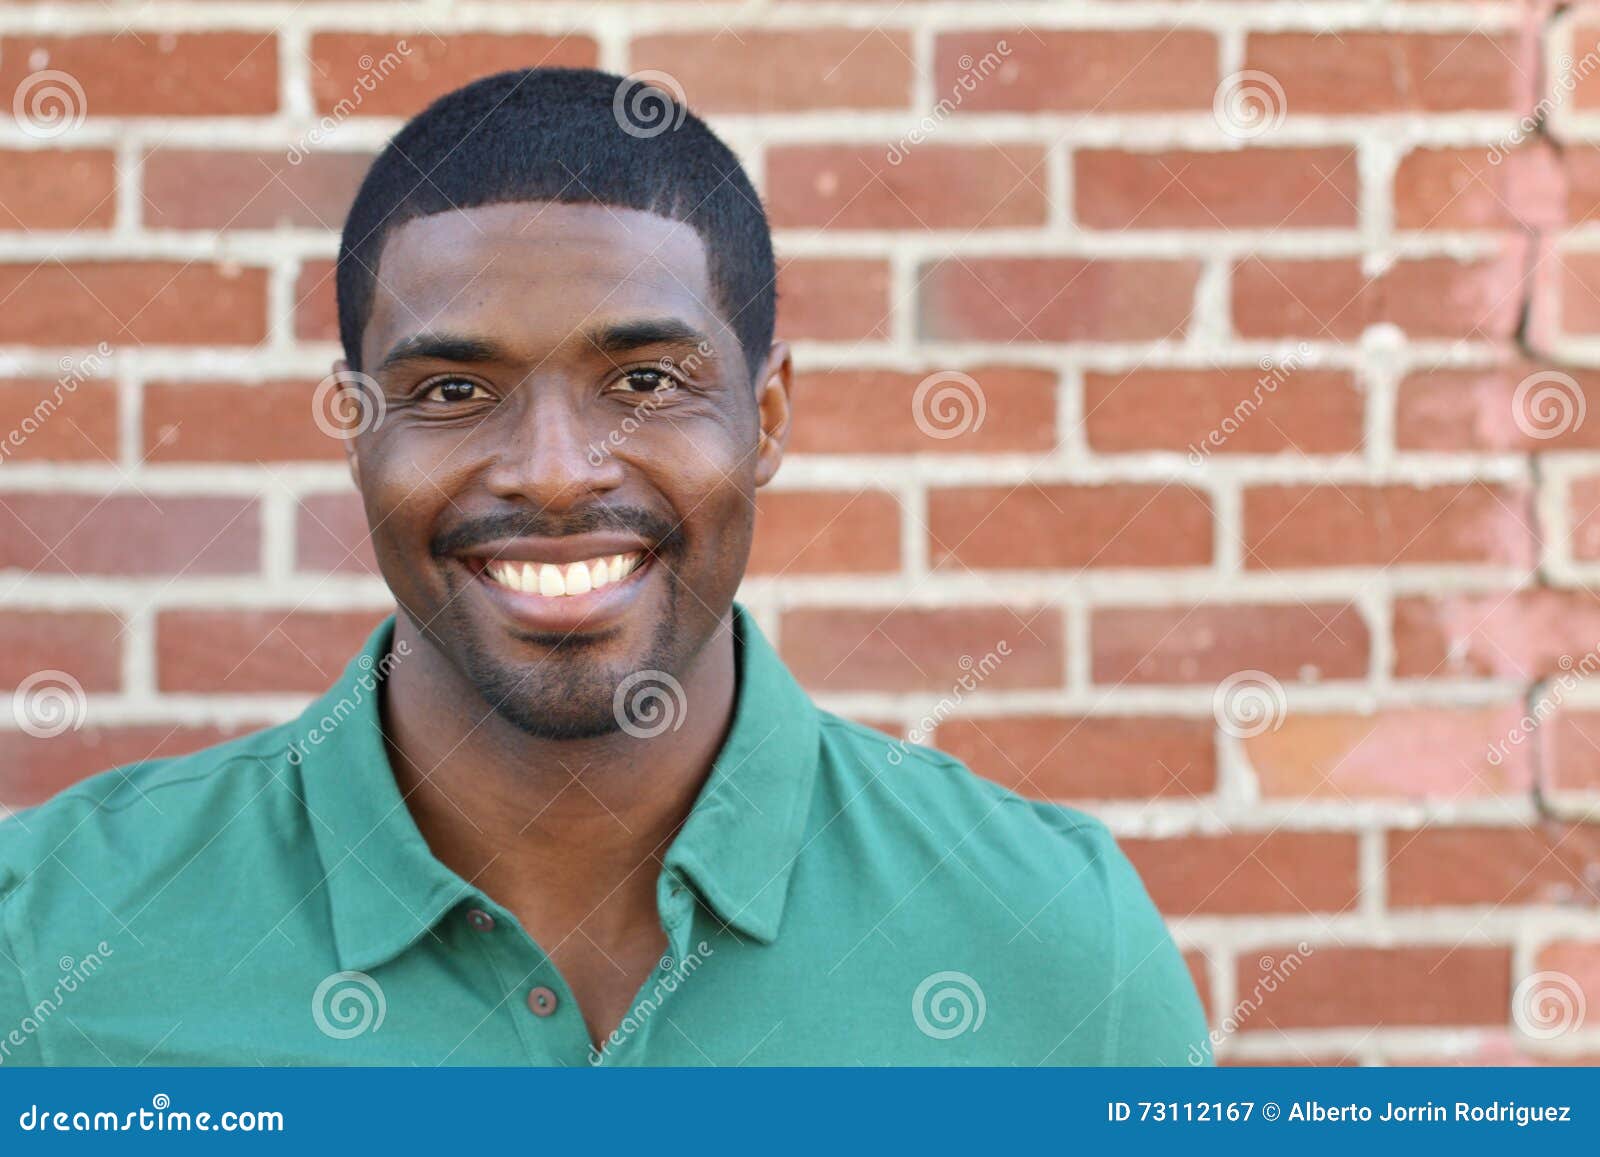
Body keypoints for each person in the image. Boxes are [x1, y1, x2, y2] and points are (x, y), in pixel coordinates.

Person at [0, 68, 1206, 1066]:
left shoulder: (1052, 939)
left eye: (643, 381)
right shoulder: (51, 939)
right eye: (452, 390)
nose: (553, 473)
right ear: (358, 427)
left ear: (766, 415)